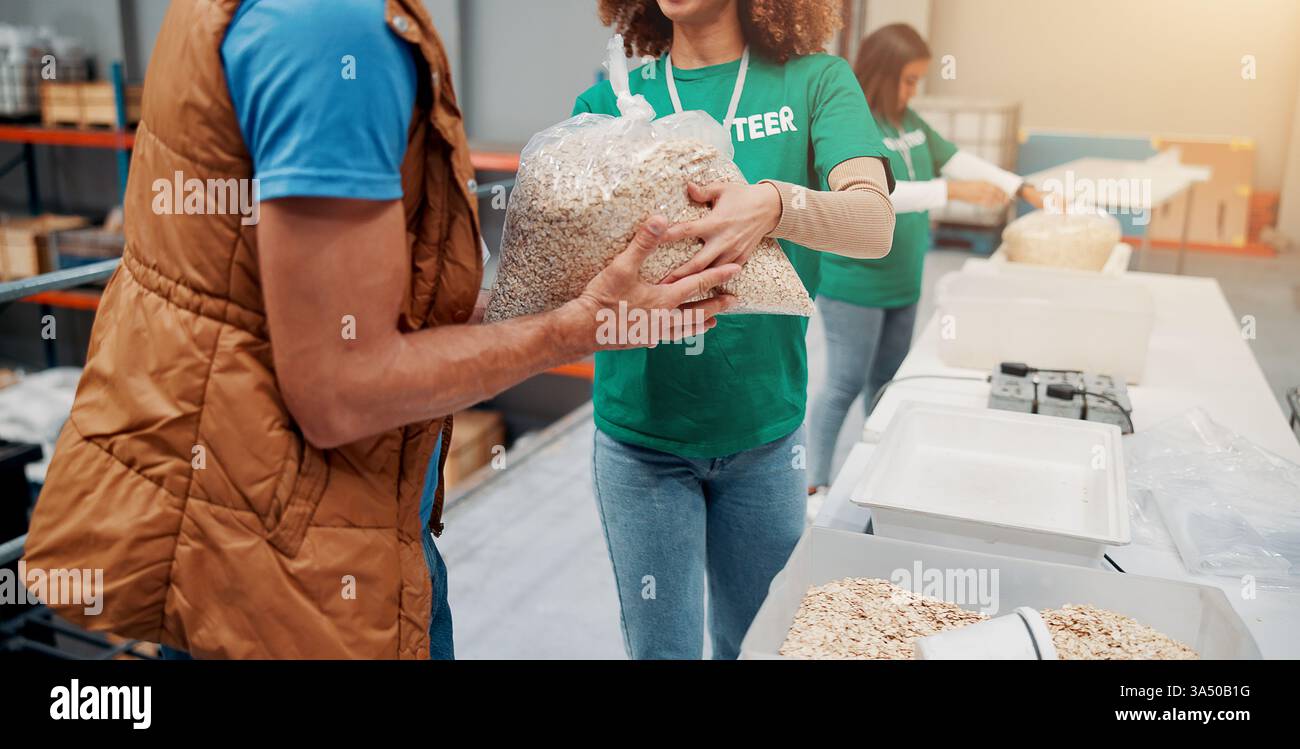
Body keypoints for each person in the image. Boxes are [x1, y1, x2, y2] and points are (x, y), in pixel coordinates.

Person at [22, 0, 738, 660]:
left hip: (240, 530)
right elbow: (341, 389)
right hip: (298, 570)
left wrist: (551, 308)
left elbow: (325, 305)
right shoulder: (335, 32)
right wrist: (567, 334)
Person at [574, 0, 897, 659]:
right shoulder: (611, 98)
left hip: (767, 441)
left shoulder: (815, 81)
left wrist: (775, 203)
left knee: (754, 644)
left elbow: (874, 223)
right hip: (642, 443)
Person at [806, 23, 1046, 498]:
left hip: (902, 280)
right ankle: (815, 482)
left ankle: (876, 473)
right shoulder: (853, 124)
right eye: (909, 79)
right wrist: (948, 192)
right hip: (854, 283)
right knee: (844, 383)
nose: (914, 89)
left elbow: (956, 159)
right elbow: (875, 196)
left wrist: (1020, 186)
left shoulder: (909, 123)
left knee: (886, 384)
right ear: (880, 74)